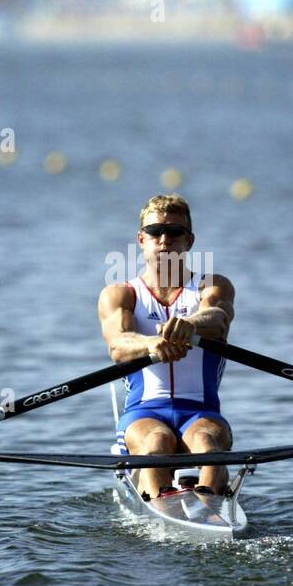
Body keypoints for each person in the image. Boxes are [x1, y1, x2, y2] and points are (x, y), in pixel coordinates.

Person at [97, 194, 234, 500]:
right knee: (157, 442)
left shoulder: (212, 286)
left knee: (207, 444)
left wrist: (191, 325)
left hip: (202, 412)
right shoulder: (121, 294)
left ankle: (209, 505)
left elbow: (219, 319)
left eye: (174, 233)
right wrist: (152, 344)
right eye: (156, 232)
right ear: (141, 239)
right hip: (143, 414)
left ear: (189, 241)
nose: (164, 240)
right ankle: (163, 502)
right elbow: (118, 346)